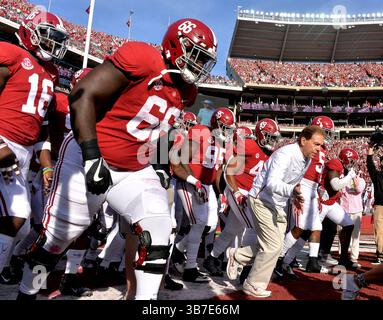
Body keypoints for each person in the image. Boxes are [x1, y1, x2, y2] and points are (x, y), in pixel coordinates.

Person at [16, 18, 217, 300]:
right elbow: (82, 95)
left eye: (204, 61)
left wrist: (158, 164)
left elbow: (161, 129)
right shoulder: (143, 58)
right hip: (90, 154)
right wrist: (92, 156)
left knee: (159, 231)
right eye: (196, 56)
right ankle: (26, 292)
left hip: (135, 168)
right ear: (176, 45)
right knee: (56, 240)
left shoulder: (187, 91)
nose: (199, 66)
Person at [0, 9, 68, 276]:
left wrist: (47, 166)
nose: (54, 46)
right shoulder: (15, 55)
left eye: (58, 41)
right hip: (5, 140)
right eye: (49, 38)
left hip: (24, 151)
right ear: (29, 32)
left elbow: (43, 126)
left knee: (23, 223)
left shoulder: (51, 72)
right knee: (17, 215)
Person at [226, 125, 325, 298]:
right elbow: (272, 183)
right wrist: (292, 191)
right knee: (272, 246)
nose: (319, 149)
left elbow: (292, 182)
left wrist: (294, 196)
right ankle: (253, 284)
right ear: (303, 140)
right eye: (316, 144)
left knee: (276, 247)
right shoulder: (286, 154)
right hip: (261, 200)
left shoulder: (306, 158)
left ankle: (237, 255)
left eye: (321, 145)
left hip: (277, 203)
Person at [203, 120, 280, 276]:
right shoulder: (249, 146)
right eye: (269, 137)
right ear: (260, 134)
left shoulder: (271, 154)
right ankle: (246, 268)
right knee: (254, 226)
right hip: (238, 190)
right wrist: (236, 192)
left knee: (232, 229)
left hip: (252, 193)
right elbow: (229, 171)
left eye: (274, 138)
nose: (272, 141)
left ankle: (211, 258)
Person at [170, 107, 235, 282]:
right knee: (199, 223)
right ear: (217, 124)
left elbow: (218, 170)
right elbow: (181, 159)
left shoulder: (222, 143)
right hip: (189, 182)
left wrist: (220, 192)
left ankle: (178, 250)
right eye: (226, 128)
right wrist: (194, 182)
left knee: (211, 225)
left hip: (207, 186)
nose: (228, 132)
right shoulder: (201, 131)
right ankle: (190, 268)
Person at [340, 168, 366, 268]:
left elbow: (358, 189)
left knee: (355, 235)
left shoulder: (361, 180)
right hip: (344, 210)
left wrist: (354, 178)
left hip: (356, 211)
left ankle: (354, 257)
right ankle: (342, 255)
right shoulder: (342, 179)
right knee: (342, 234)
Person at [367, 139, 383, 264]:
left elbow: (370, 164)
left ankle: (381, 255)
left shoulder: (377, 175)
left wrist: (371, 149)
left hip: (379, 206)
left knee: (379, 231)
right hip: (379, 205)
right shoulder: (377, 175)